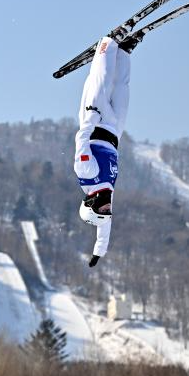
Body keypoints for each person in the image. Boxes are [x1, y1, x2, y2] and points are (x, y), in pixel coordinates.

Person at [73, 32, 141, 267]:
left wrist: (90, 118)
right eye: (108, 210)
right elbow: (104, 226)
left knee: (100, 83)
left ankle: (107, 44)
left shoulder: (87, 174)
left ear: (91, 203)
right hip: (114, 131)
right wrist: (99, 251)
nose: (108, 207)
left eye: (103, 208)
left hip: (96, 121)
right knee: (122, 89)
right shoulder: (106, 192)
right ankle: (124, 52)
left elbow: (81, 140)